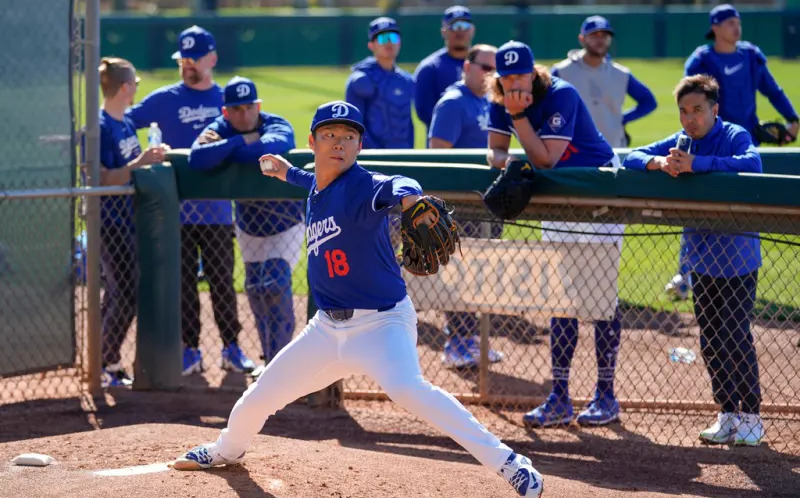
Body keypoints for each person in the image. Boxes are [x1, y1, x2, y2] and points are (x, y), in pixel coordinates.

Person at [172, 101, 544, 498]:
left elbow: (398, 184)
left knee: (409, 390)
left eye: (349, 137)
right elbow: (307, 178)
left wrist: (410, 201)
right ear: (313, 142)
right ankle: (227, 450)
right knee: (260, 395)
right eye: (330, 135)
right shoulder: (316, 182)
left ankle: (510, 463)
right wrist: (284, 172)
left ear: (359, 146)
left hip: (382, 324)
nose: (339, 144)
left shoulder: (364, 185)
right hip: (326, 330)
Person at [487, 41, 624, 428]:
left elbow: (547, 158)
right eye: (507, 77)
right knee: (561, 299)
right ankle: (560, 397)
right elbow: (494, 152)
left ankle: (606, 395)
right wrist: (510, 158)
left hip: (596, 192)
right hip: (557, 200)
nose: (514, 82)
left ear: (535, 72)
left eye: (521, 74)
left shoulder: (561, 93)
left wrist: (518, 118)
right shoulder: (501, 99)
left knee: (599, 297)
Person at [623, 74, 764, 447]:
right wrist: (657, 162)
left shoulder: (733, 134)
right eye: (684, 111)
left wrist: (696, 164)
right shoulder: (681, 141)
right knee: (710, 341)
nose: (690, 119)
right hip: (700, 260)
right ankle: (728, 412)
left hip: (737, 258)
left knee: (735, 336)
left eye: (698, 110)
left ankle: (752, 416)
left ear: (714, 110)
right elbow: (629, 157)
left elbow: (752, 164)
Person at [126, 25, 254, 375]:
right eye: (183, 59)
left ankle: (231, 347)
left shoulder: (226, 102)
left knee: (222, 283)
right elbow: (122, 118)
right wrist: (137, 153)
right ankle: (190, 350)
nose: (188, 64)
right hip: (175, 213)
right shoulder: (164, 98)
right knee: (183, 284)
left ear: (212, 58)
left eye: (195, 58)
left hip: (216, 210)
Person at [666, 3, 799, 300]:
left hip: (742, 142)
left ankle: (740, 276)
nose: (735, 27)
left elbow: (772, 89)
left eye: (737, 21)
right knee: (697, 213)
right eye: (728, 22)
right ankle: (686, 274)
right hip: (710, 142)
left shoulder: (750, 55)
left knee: (744, 214)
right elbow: (690, 95)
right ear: (715, 27)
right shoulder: (702, 58)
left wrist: (792, 118)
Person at [188, 76, 304, 378]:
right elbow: (197, 157)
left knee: (276, 284)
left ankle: (283, 365)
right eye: (236, 110)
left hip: (286, 223)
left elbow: (272, 147)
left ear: (258, 106)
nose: (243, 115)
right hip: (249, 225)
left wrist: (227, 150)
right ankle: (270, 360)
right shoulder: (221, 127)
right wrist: (241, 141)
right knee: (256, 291)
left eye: (248, 107)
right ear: (226, 112)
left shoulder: (276, 122)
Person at [428, 44, 504, 368]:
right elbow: (437, 154)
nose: (491, 74)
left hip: (485, 203)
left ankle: (470, 339)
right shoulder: (453, 103)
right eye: (485, 67)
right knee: (459, 273)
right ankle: (455, 343)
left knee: (478, 275)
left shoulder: (487, 100)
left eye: (494, 68)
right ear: (467, 67)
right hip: (461, 206)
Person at [96, 57, 168, 387]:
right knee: (124, 292)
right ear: (125, 87)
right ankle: (104, 362)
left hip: (128, 219)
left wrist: (149, 160)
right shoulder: (99, 127)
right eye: (135, 83)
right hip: (108, 222)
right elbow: (102, 178)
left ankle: (101, 360)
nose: (137, 88)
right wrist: (140, 163)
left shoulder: (124, 123)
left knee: (118, 293)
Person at [551, 15, 657, 147]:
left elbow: (649, 101)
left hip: (613, 148)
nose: (600, 40)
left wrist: (622, 119)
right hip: (574, 150)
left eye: (605, 36)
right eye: (594, 35)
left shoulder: (621, 74)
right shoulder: (561, 71)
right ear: (582, 39)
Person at [345, 17, 414, 149]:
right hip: (374, 157)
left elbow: (408, 123)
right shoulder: (361, 80)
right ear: (371, 45)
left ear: (400, 43)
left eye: (393, 37)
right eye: (383, 38)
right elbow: (353, 124)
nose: (389, 42)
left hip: (404, 154)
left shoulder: (406, 80)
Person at [414, 5, 476, 132]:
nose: (460, 31)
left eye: (465, 26)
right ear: (444, 31)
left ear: (472, 30)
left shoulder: (485, 65)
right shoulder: (429, 68)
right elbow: (424, 113)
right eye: (454, 26)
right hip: (443, 145)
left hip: (481, 144)